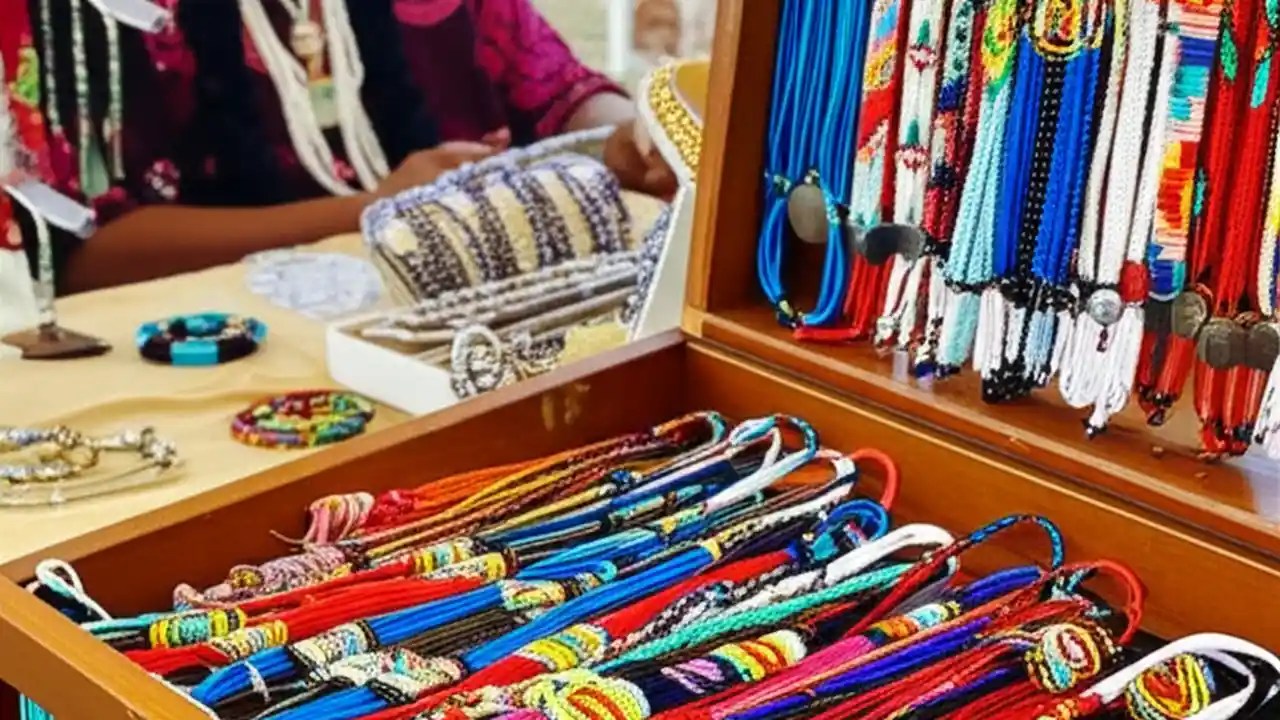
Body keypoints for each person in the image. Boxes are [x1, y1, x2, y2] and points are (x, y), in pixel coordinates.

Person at [33, 0, 676, 294]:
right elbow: (89, 252)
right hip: (218, 361)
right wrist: (374, 208)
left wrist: (633, 132)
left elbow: (563, 93)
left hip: (473, 329)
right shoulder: (116, 17)